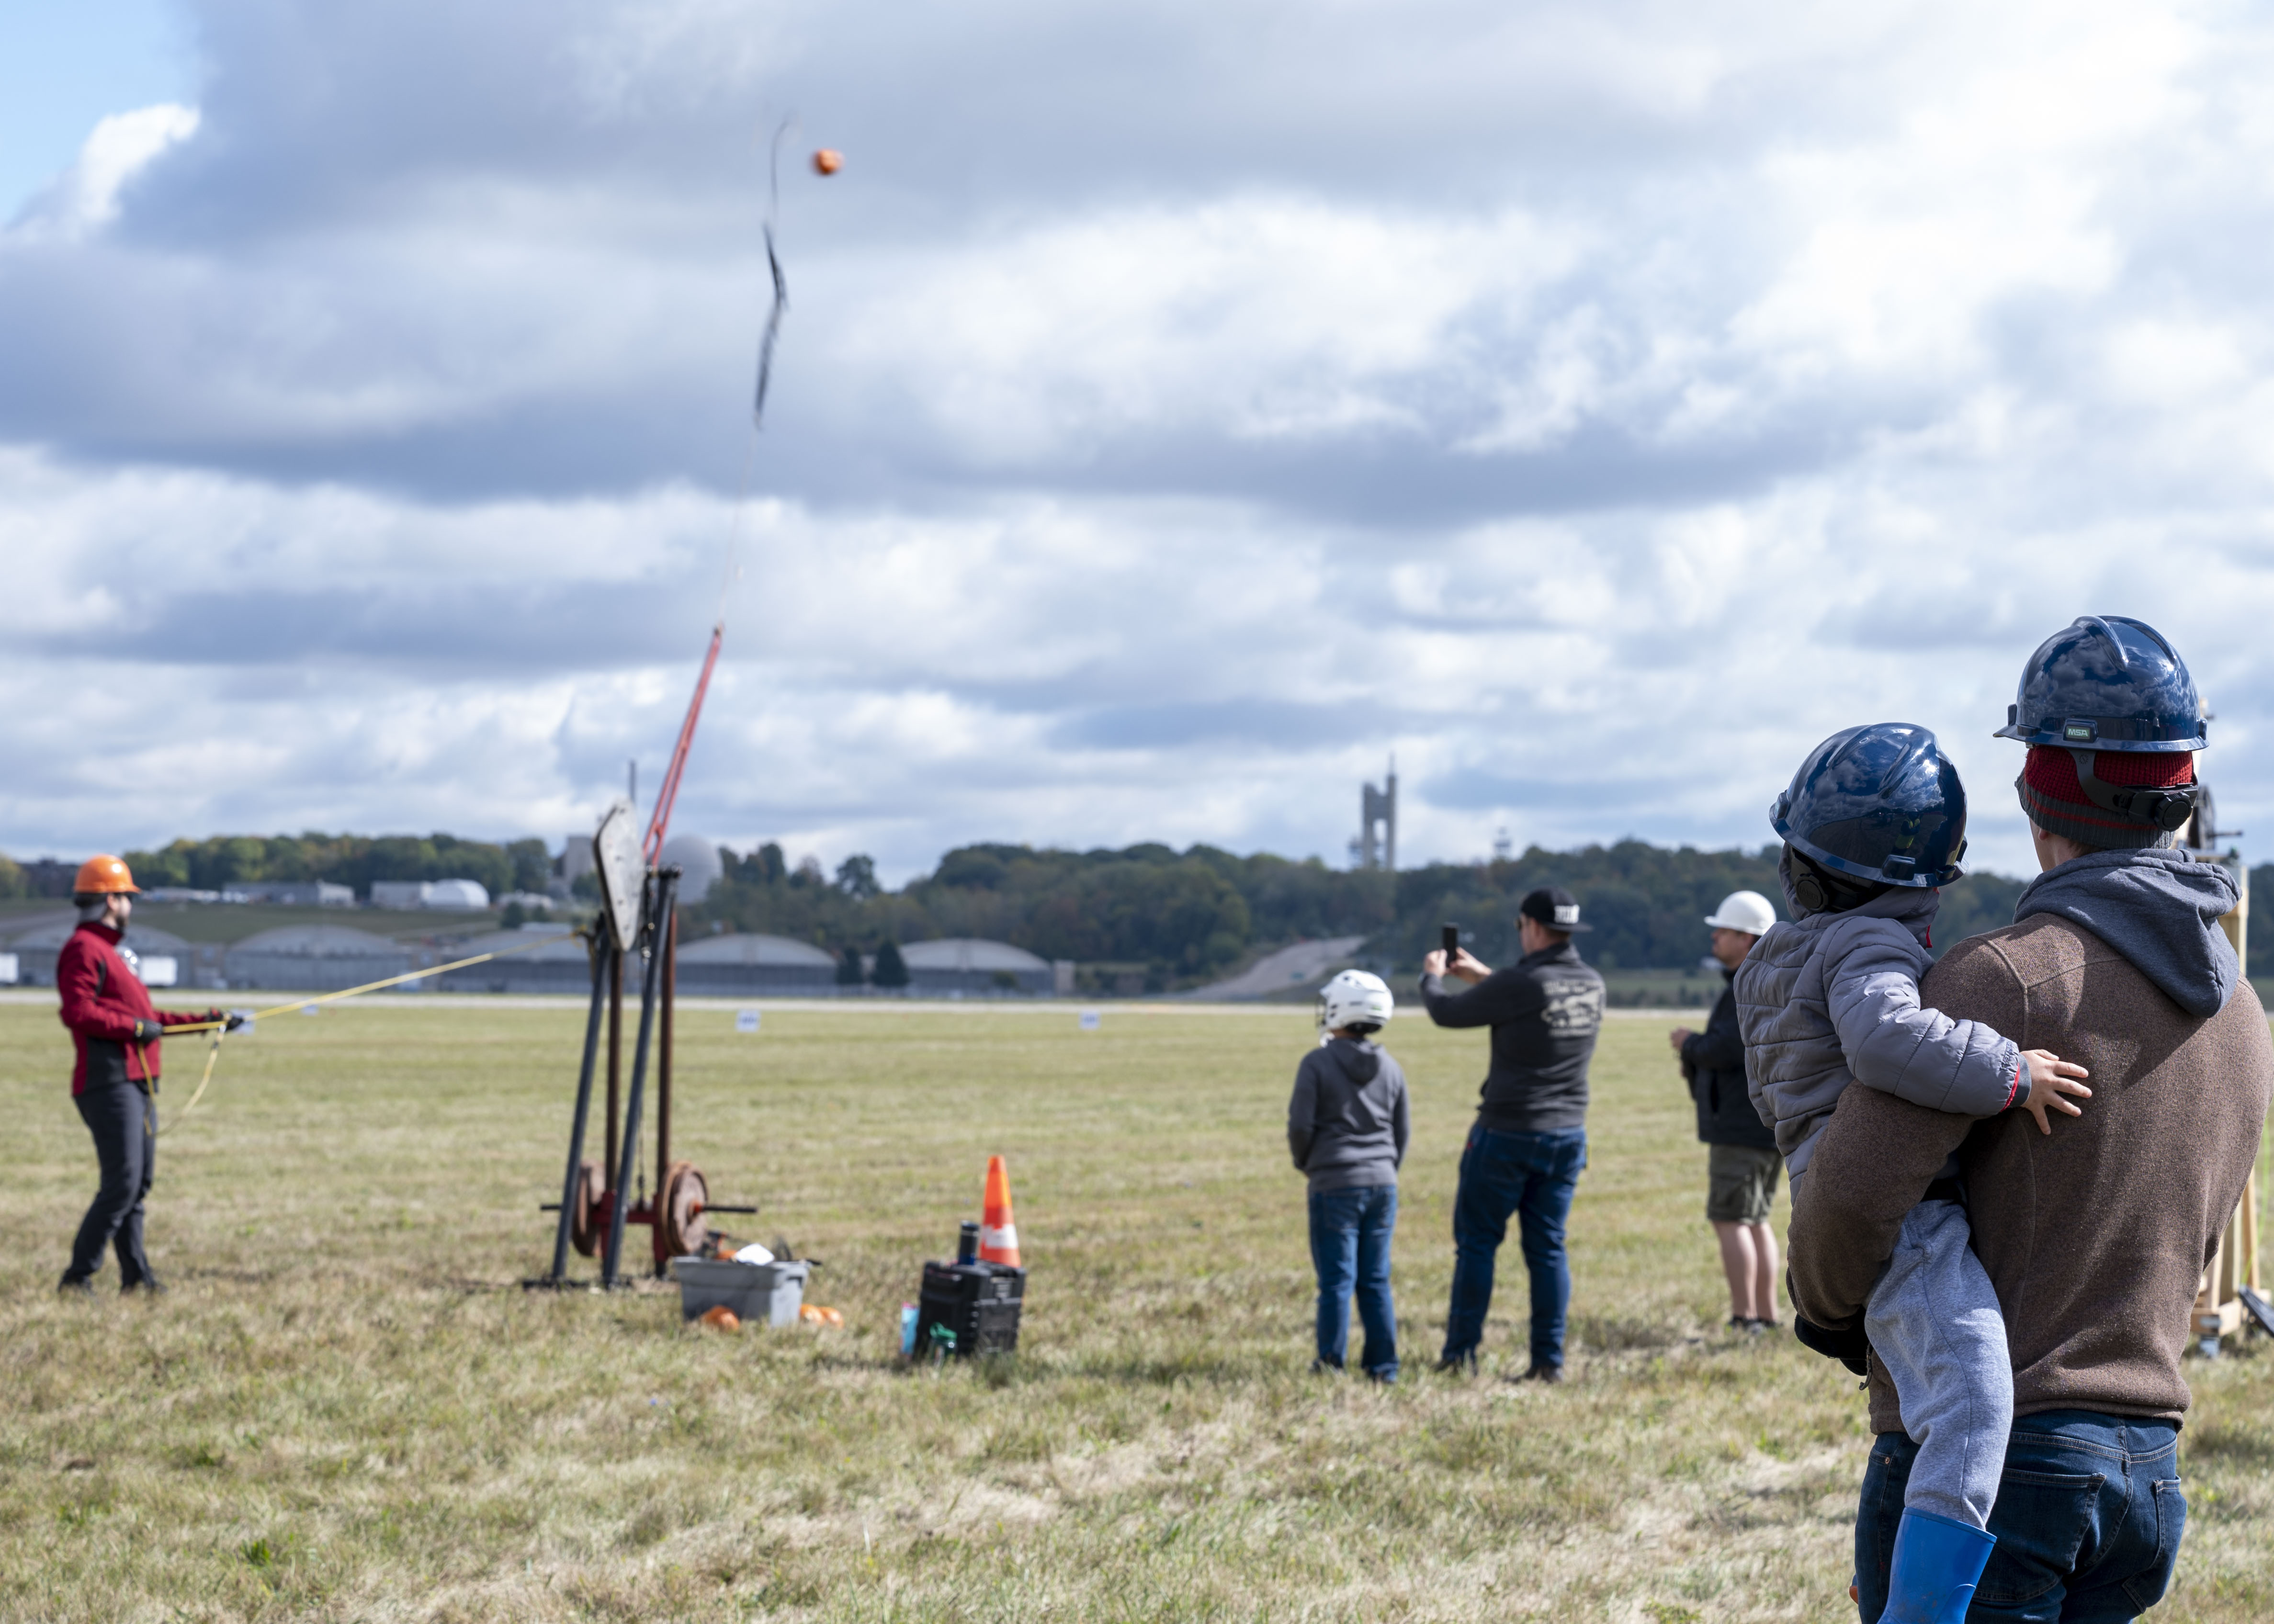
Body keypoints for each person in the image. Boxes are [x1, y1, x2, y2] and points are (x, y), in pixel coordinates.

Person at [1785, 616, 2272, 1622]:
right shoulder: (2241, 1008)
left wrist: (1828, 1313)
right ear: (2181, 793)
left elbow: (1852, 1194)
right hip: (2147, 1469)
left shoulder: (1999, 975)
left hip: (1995, 1469)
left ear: (2033, 793)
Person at [1735, 722, 2095, 1620]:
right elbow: (1890, 1040)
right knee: (1972, 1403)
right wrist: (2009, 1072)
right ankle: (1924, 1607)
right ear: (1921, 878)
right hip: (1903, 1218)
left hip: (1822, 1186)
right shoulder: (1867, 946)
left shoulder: (1777, 955)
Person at [1419, 886, 1604, 1381]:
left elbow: (1446, 1012)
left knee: (1478, 1244)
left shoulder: (1522, 983)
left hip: (1508, 1132)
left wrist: (1432, 977)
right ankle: (1549, 1361)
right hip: (1567, 1133)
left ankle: (1461, 1355)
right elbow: (1531, 994)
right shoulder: (1591, 982)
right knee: (1547, 1248)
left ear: (1532, 926)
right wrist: (1480, 975)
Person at [55, 855, 231, 1297]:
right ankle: (78, 1278)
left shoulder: (114, 953)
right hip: (108, 1081)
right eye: (127, 898)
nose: (131, 906)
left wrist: (207, 1021)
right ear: (110, 899)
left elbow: (150, 1018)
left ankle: (137, 1278)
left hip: (137, 1082)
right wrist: (134, 1029)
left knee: (138, 1184)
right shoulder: (84, 949)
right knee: (122, 1184)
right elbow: (79, 1013)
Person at [1665, 888, 1781, 1331]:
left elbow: (1729, 1048)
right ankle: (1764, 1316)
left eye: (1723, 931)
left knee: (1730, 1219)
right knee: (1755, 1220)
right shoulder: (1765, 984)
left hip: (1739, 1125)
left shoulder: (1744, 987)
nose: (1714, 938)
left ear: (1747, 939)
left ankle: (1744, 1317)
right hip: (1763, 1123)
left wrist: (1688, 1044)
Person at [1288, 969, 1409, 1383]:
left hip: (1334, 1183)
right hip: (1382, 1184)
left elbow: (1300, 1127)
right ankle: (1383, 1368)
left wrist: (1309, 1163)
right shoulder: (1391, 1067)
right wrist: (1385, 1171)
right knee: (1375, 1280)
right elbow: (1401, 1132)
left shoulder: (1316, 1063)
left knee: (1337, 1280)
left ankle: (1330, 1364)